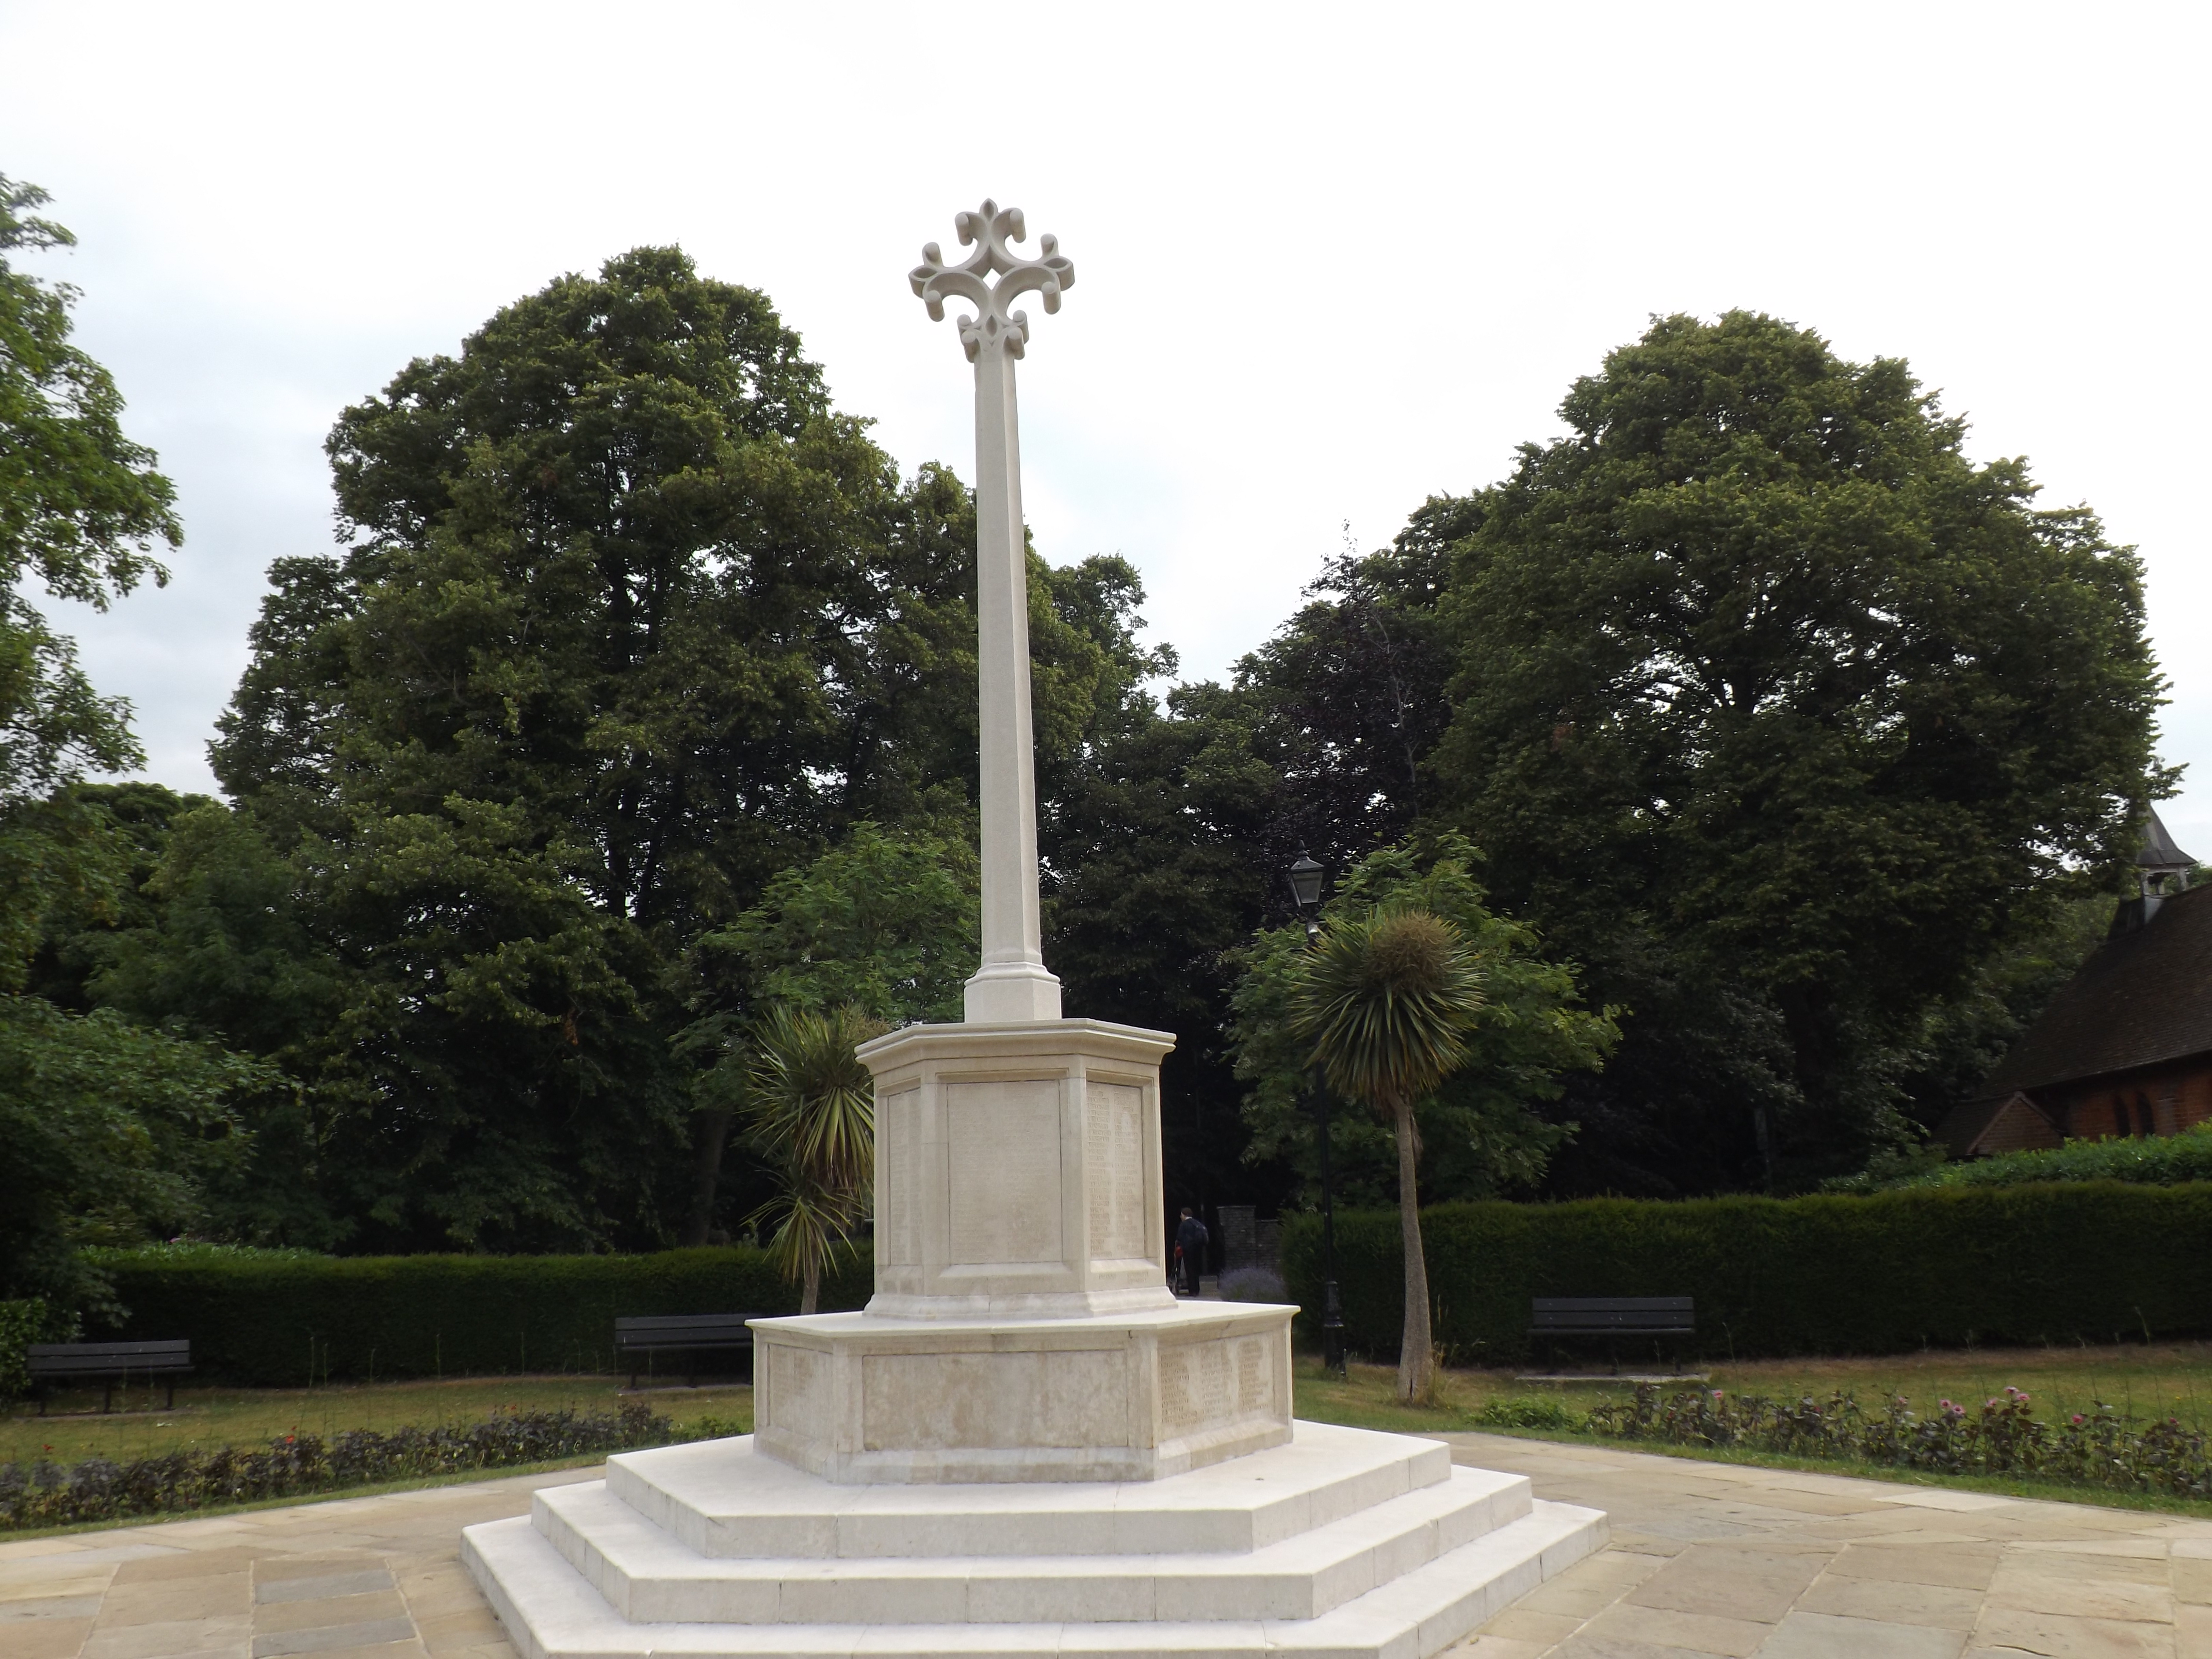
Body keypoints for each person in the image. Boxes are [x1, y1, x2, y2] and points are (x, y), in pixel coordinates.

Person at [1173, 1206, 1209, 1298]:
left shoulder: (1184, 1224)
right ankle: (1197, 1290)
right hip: (1197, 1250)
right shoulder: (1196, 1223)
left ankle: (1192, 1291)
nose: (1181, 1217)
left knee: (1190, 1270)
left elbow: (1180, 1237)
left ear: (1184, 1215)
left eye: (1181, 1215)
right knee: (1196, 1270)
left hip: (1188, 1251)